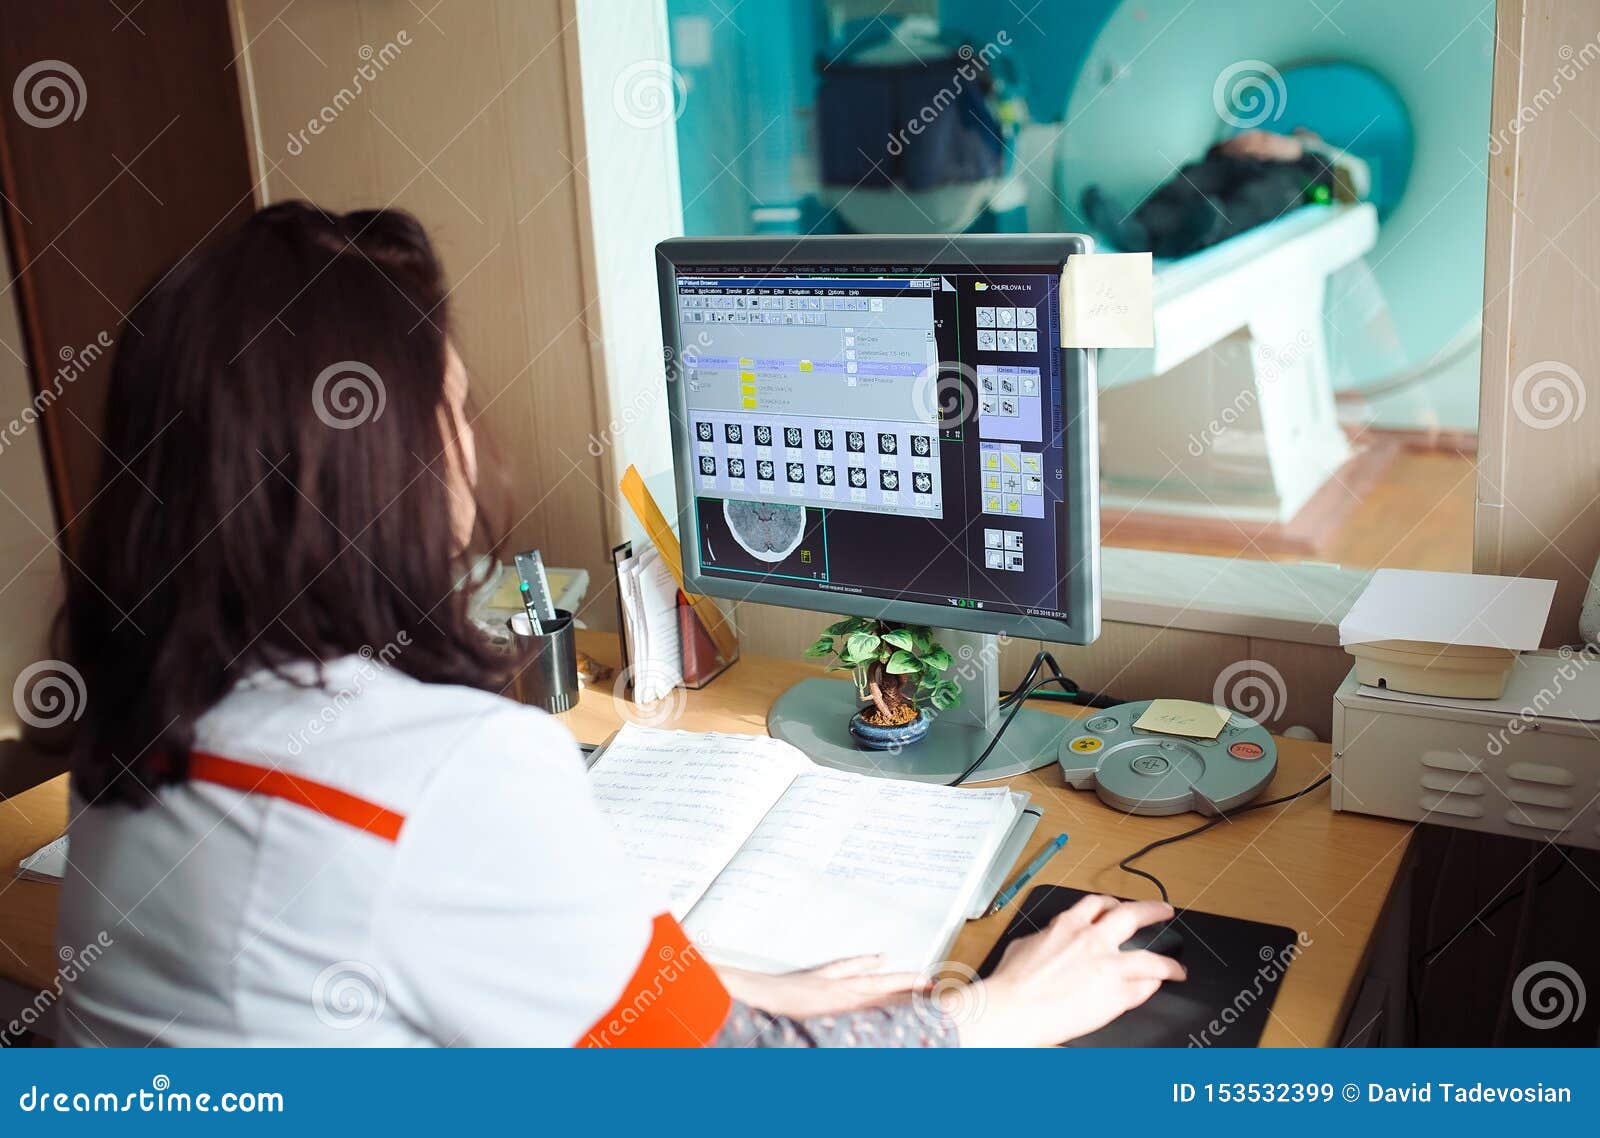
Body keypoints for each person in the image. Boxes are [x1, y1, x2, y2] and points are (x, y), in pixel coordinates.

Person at [53, 202, 1184, 1047]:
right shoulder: (449, 767)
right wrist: (1001, 1010)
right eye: (451, 409)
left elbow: (409, 957)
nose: (469, 443)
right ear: (375, 470)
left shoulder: (149, 715)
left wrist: (705, 986)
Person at [1083, 128, 1371, 259]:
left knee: (1262, 197)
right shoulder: (1273, 138)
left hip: (1290, 184)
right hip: (1238, 166)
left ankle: (1196, 237)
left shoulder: (1332, 160)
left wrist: (1299, 151)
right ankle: (1139, 231)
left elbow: (1348, 189)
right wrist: (1231, 148)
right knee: (1196, 177)